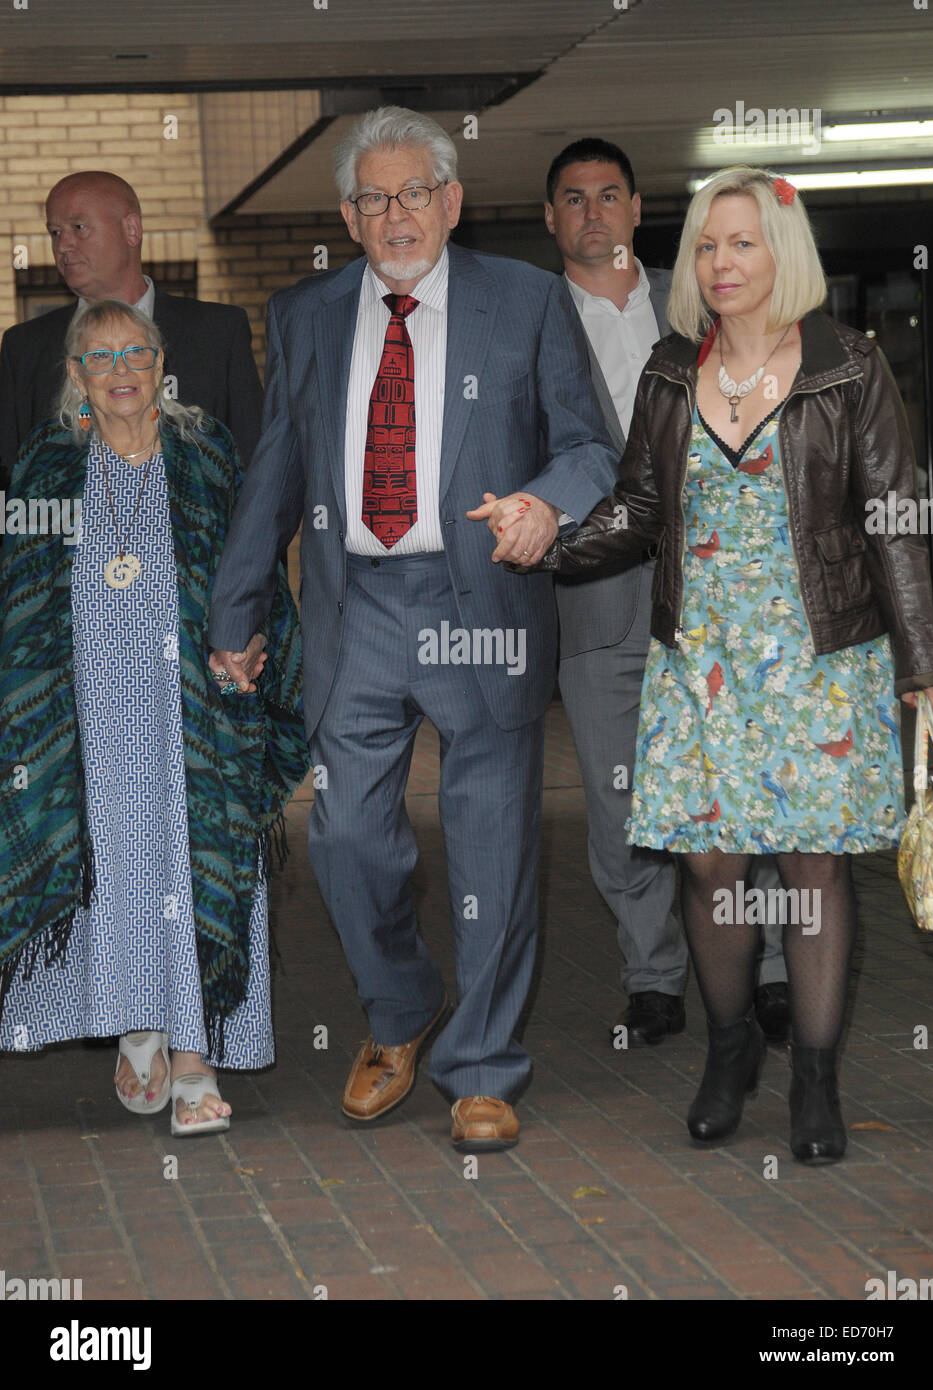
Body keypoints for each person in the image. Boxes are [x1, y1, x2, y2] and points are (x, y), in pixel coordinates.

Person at [488, 165, 933, 1163]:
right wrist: (550, 536)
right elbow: (639, 512)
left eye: (742, 242)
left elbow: (893, 520)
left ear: (781, 256)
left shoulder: (847, 365)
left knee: (811, 867)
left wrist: (921, 658)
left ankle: (814, 1082)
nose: (721, 262)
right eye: (705, 244)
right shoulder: (666, 368)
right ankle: (728, 1048)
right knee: (709, 865)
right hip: (696, 658)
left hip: (818, 657)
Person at [208, 106, 617, 1153]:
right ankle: (399, 1008)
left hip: (480, 595)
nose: (398, 215)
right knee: (345, 837)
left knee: (491, 849)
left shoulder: (523, 302)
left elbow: (590, 448)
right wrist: (235, 611)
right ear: (349, 216)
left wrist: (542, 504)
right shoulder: (302, 315)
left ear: (451, 201)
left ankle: (479, 1066)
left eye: (415, 193)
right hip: (360, 608)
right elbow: (273, 473)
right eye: (374, 198)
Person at [0, 299, 308, 1135]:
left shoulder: (205, 449)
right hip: (87, 718)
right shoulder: (46, 465)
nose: (122, 371)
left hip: (193, 706)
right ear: (75, 378)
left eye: (137, 352)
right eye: (101, 359)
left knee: (191, 855)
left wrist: (250, 645)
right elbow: (21, 598)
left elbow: (252, 566)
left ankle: (194, 1056)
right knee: (117, 870)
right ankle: (139, 1022)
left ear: (161, 363)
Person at [544, 139, 789, 1048]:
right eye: (573, 199)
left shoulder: (698, 301)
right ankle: (653, 978)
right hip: (597, 595)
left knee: (737, 787)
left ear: (637, 207)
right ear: (551, 218)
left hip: (717, 594)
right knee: (622, 801)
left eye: (610, 194)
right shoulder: (531, 318)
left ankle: (765, 968)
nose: (593, 213)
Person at [0, 171, 263, 490]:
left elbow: (258, 468)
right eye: (55, 232)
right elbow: (9, 477)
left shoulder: (218, 331)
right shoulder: (24, 347)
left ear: (131, 229)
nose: (63, 245)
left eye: (78, 228)